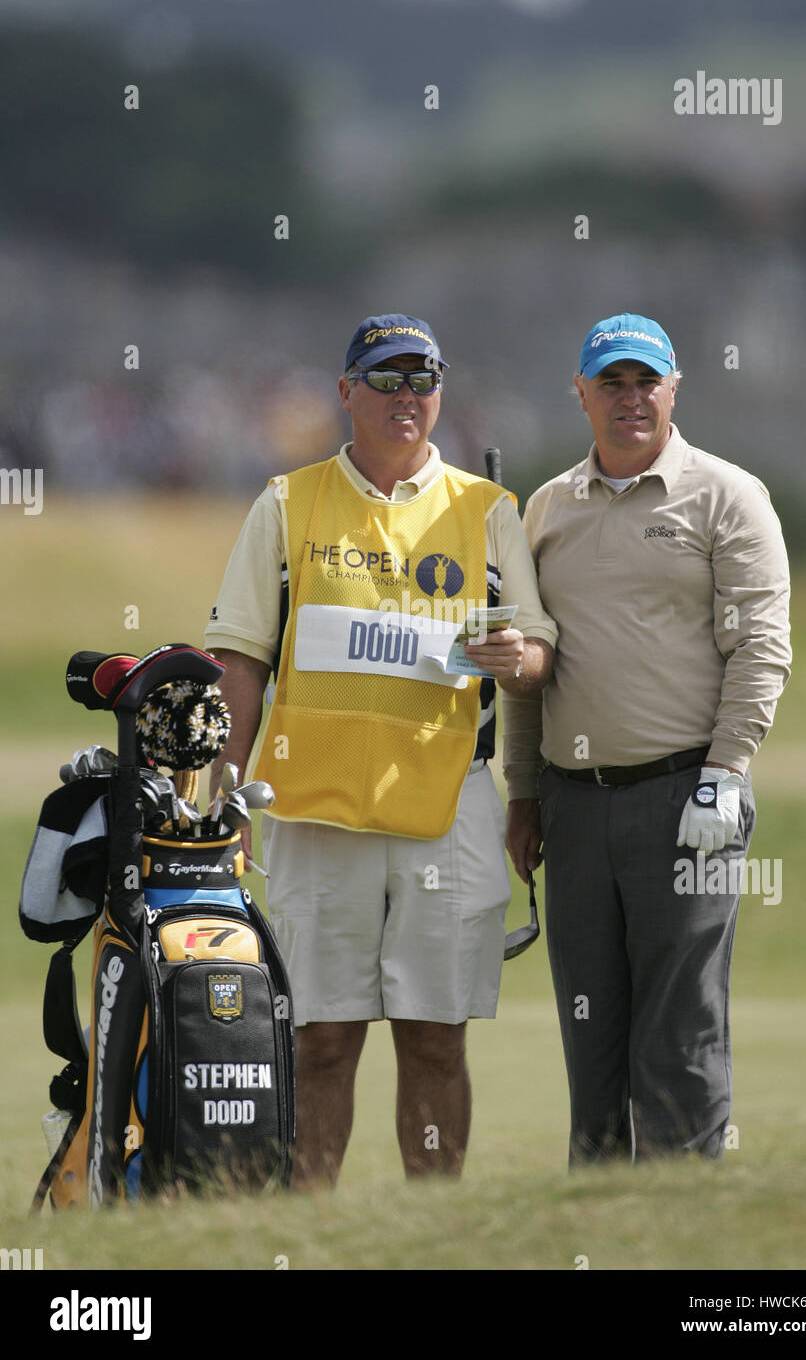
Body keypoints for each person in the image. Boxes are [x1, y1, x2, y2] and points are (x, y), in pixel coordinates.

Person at [204, 313, 557, 1188]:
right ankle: (309, 1228)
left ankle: (429, 1230)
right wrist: (224, 790)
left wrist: (519, 660)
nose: (407, 396)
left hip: (449, 811)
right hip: (312, 811)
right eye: (387, 377)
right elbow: (240, 654)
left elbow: (540, 651)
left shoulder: (490, 510)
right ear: (346, 392)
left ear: (440, 392)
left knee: (436, 1039)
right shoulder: (287, 503)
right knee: (320, 1039)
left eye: (423, 377)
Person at [504, 312, 791, 1164]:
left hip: (687, 795)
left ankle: (680, 1225)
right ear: (582, 394)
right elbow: (531, 668)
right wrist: (521, 792)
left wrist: (726, 771)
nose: (630, 399)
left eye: (645, 382)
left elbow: (760, 647)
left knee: (678, 1028)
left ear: (673, 390)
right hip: (574, 803)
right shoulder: (548, 508)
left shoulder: (725, 494)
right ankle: (600, 1221)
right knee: (590, 1031)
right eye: (612, 383)